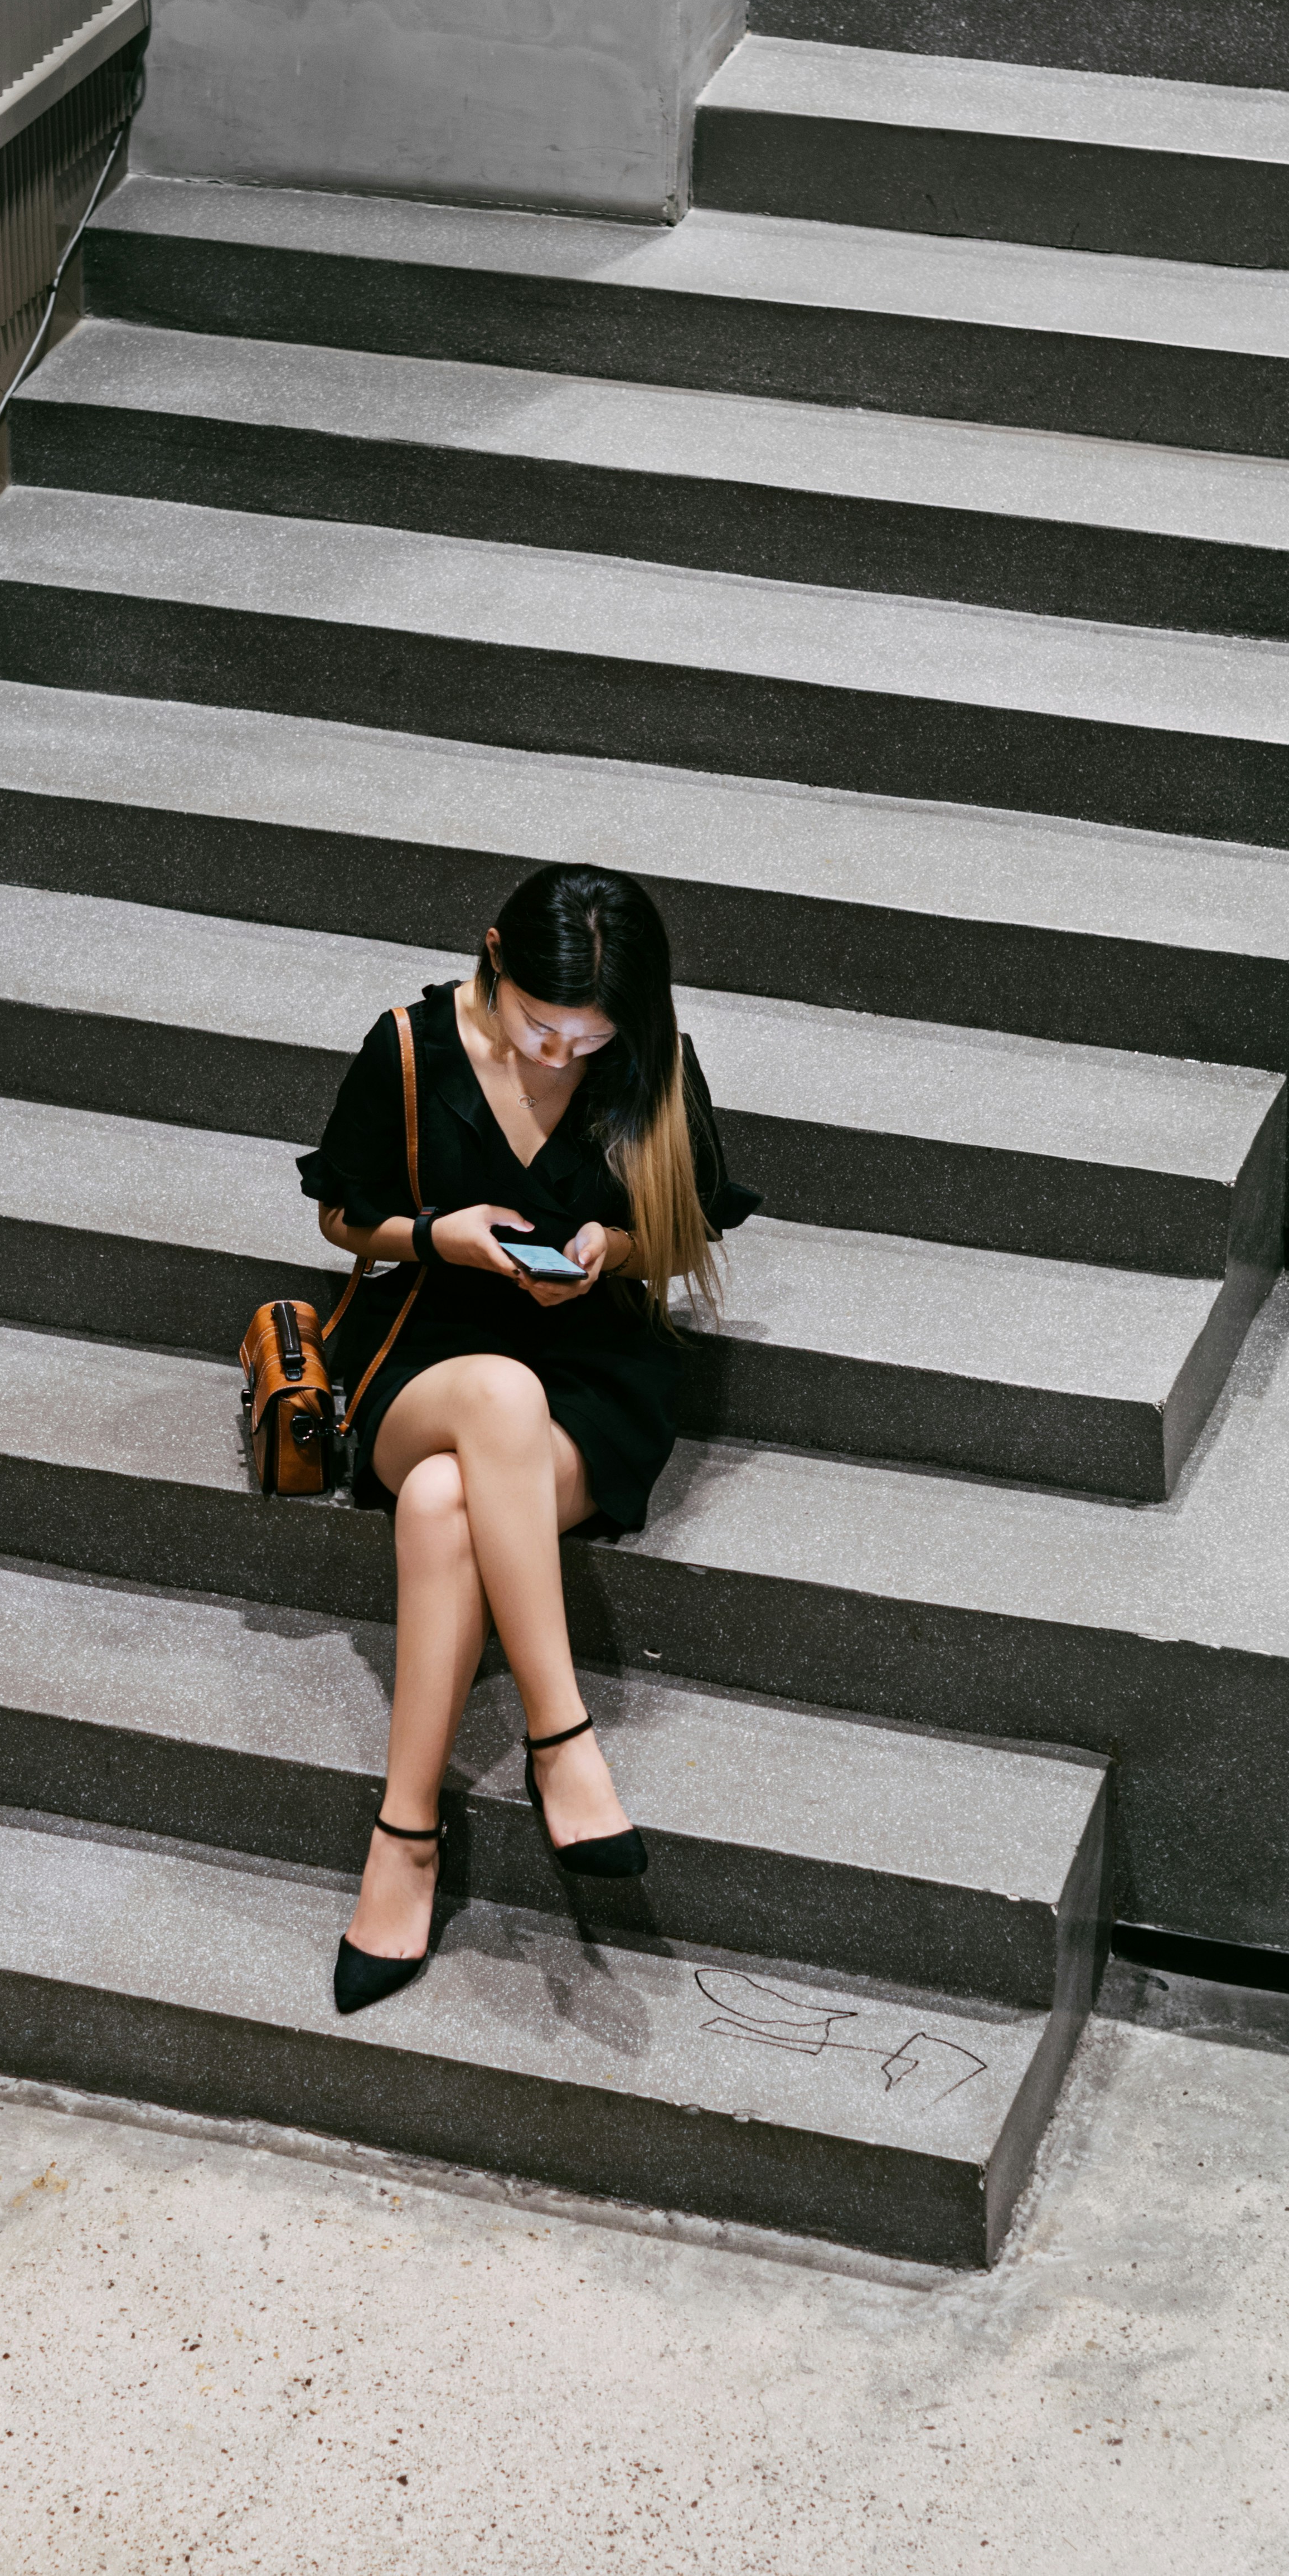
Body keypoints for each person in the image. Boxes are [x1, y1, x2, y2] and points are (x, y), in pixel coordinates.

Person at [294, 863, 760, 2017]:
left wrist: (615, 1243)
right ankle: (564, 1741)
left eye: (587, 1041)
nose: (561, 1056)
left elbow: (688, 1228)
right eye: (541, 1028)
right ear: (492, 954)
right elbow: (340, 1212)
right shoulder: (410, 1046)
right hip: (428, 1353)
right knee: (492, 1399)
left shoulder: (653, 1056)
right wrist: (438, 1235)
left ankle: (404, 1835)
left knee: (441, 1506)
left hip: (593, 1373)